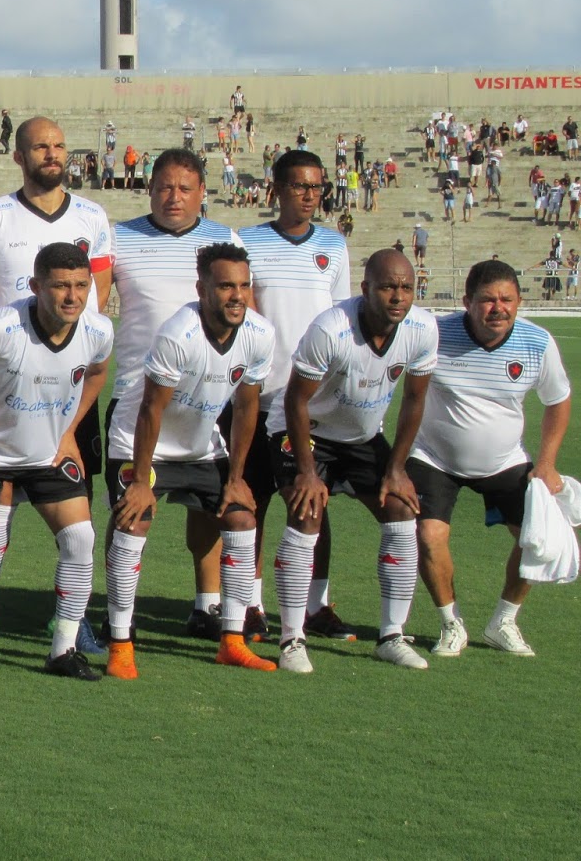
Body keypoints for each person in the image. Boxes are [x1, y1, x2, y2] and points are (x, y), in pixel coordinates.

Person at [0, 242, 112, 685]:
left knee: (80, 538)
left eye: (80, 285)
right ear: (36, 286)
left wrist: (69, 431)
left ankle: (63, 649)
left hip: (48, 454)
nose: (72, 296)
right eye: (60, 286)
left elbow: (96, 372)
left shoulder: (98, 330)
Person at [103, 243, 277, 678]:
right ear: (201, 288)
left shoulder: (259, 334)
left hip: (201, 447)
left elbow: (246, 408)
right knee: (134, 519)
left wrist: (236, 477)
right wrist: (141, 481)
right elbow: (150, 410)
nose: (237, 295)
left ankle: (232, 640)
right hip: (139, 443)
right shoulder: (178, 334)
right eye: (224, 286)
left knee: (241, 518)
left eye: (243, 285)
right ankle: (120, 641)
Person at [0, 116, 114, 653]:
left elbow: (97, 294)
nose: (52, 155)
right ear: (19, 156)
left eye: (58, 146)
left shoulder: (93, 215)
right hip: (10, 383)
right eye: (40, 147)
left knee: (75, 502)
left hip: (68, 384)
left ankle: (73, 617)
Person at [270, 250, 438, 673]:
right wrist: (307, 471)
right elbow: (295, 400)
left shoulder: (421, 328)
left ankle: (391, 635)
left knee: (402, 510)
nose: (397, 297)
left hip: (361, 437)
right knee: (307, 513)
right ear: (365, 289)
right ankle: (292, 639)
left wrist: (397, 468)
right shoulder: (332, 328)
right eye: (387, 287)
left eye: (406, 288)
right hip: (305, 432)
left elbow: (415, 399)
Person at [108, 149, 246, 641]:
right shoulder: (119, 236)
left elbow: (242, 310)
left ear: (203, 193)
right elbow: (98, 308)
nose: (174, 197)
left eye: (185, 188)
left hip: (208, 400)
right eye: (165, 187)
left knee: (207, 506)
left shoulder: (223, 239)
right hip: (137, 397)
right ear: (149, 188)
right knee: (131, 507)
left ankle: (207, 605)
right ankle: (116, 612)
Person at [411, 259, 571, 657]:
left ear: (519, 301)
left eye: (507, 299)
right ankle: (451, 623)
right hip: (434, 456)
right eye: (487, 300)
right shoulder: (434, 333)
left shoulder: (537, 343)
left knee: (535, 540)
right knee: (430, 536)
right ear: (467, 302)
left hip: (505, 459)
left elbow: (558, 400)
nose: (498, 308)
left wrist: (546, 464)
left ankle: (504, 621)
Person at [238, 150, 352, 640]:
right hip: (260, 396)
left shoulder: (334, 244)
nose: (309, 196)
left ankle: (315, 604)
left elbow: (344, 317)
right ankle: (252, 604)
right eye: (300, 186)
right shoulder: (248, 241)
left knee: (312, 504)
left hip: (312, 404)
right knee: (254, 503)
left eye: (317, 187)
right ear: (277, 189)